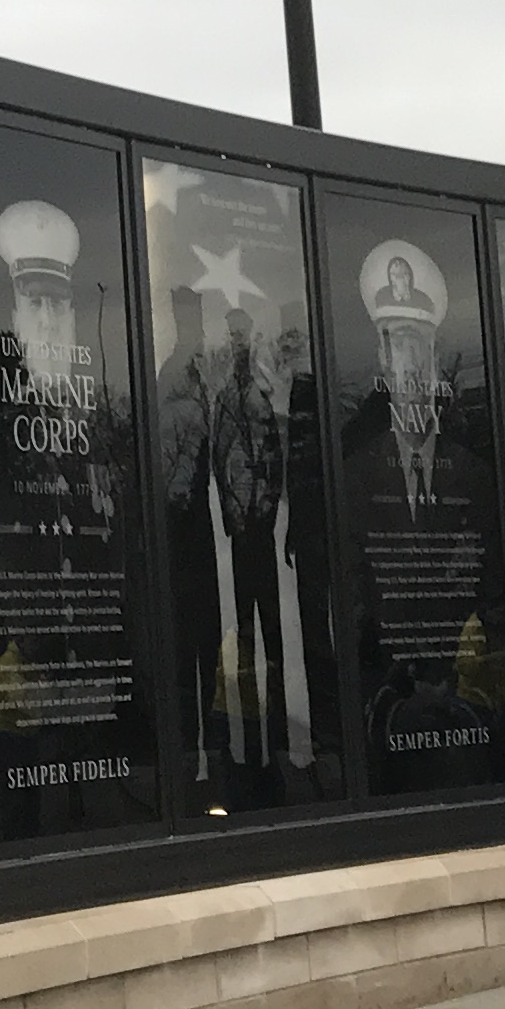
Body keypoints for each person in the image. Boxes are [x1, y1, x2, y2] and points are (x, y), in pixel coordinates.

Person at [210, 305, 292, 786]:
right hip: (241, 533)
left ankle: (274, 736)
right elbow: (221, 462)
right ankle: (248, 738)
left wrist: (264, 509)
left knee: (272, 632)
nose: (239, 345)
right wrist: (235, 517)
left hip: (261, 529)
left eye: (243, 337)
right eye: (233, 337)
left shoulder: (262, 395)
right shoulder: (226, 399)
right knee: (243, 632)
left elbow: (273, 459)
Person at [278, 323, 342, 786]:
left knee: (318, 642)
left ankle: (328, 732)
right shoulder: (298, 435)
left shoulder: (311, 422)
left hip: (317, 547)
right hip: (302, 546)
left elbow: (306, 482)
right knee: (307, 643)